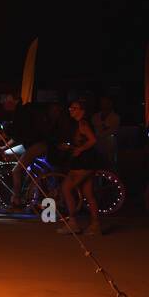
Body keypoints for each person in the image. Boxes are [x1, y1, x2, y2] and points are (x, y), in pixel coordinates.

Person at [56, 99, 103, 235]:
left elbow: (93, 140)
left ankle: (73, 223)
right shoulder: (78, 124)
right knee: (88, 194)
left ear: (82, 111)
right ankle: (95, 225)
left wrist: (80, 149)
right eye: (70, 108)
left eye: (74, 108)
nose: (71, 110)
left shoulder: (83, 123)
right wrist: (70, 147)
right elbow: (82, 140)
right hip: (88, 162)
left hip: (84, 163)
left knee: (66, 188)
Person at [91, 96, 121, 168]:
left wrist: (103, 131)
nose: (104, 104)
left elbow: (113, 131)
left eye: (106, 102)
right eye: (102, 103)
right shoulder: (95, 116)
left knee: (111, 164)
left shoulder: (116, 117)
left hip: (110, 144)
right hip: (97, 145)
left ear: (111, 104)